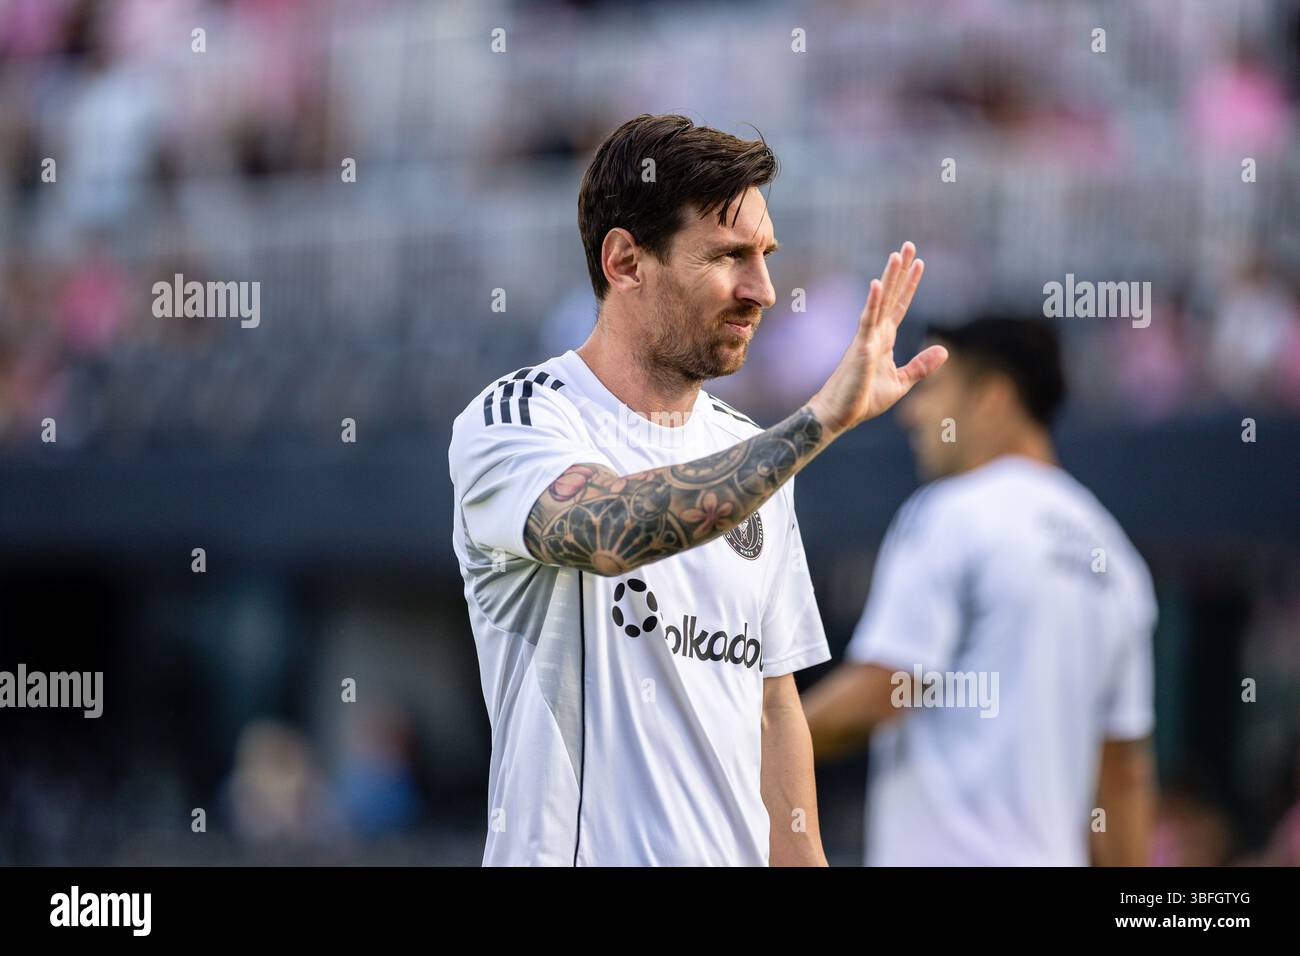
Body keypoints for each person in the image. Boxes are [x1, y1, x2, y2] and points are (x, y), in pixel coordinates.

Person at [447, 113, 946, 865]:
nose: (765, 290)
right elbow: (609, 531)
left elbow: (775, 711)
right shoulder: (518, 418)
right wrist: (815, 423)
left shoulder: (750, 454)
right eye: (728, 257)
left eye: (766, 256)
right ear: (625, 261)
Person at [803, 316, 1158, 866]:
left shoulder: (951, 512)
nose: (913, 414)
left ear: (993, 397)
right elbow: (1125, 772)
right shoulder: (1117, 558)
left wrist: (752, 741)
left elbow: (885, 686)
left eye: (934, 391)